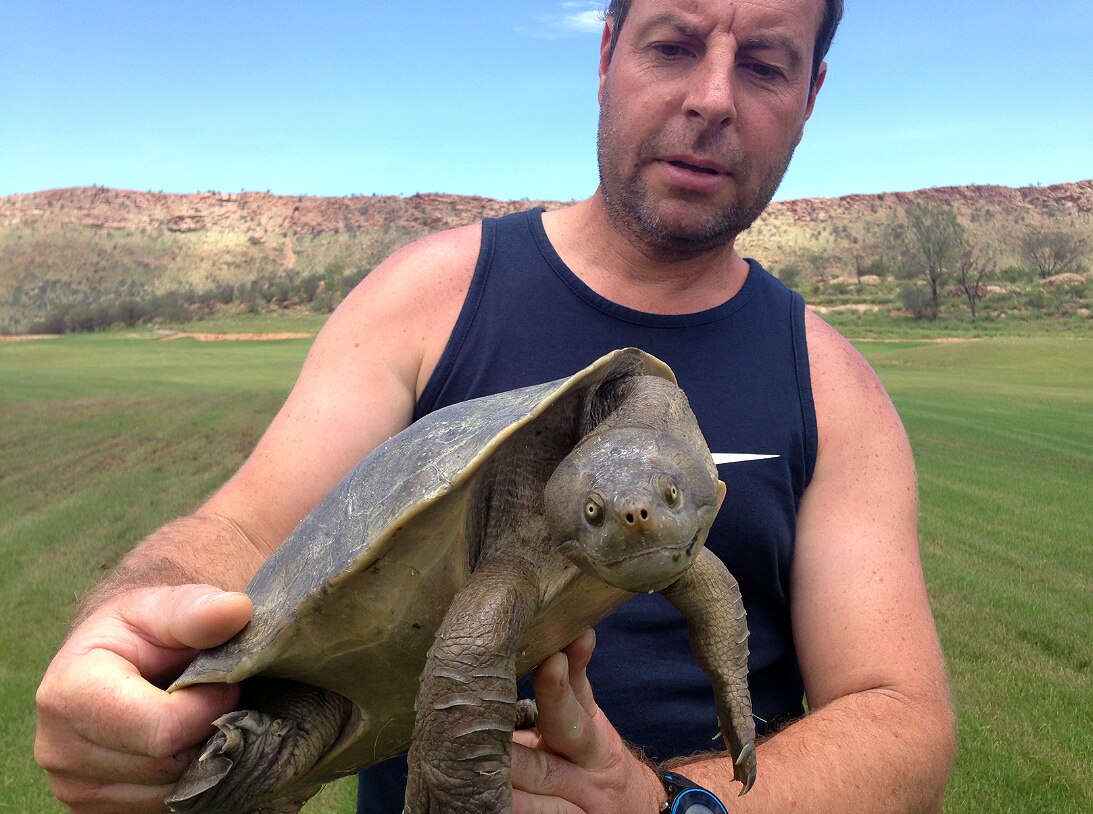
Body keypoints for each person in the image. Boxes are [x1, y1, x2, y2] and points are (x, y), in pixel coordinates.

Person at [35, 0, 958, 812]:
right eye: (673, 45)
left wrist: (673, 807)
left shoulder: (834, 386)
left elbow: (902, 726)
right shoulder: (428, 297)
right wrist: (126, 625)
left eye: (763, 64)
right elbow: (243, 529)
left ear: (810, 94)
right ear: (605, 54)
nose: (712, 99)